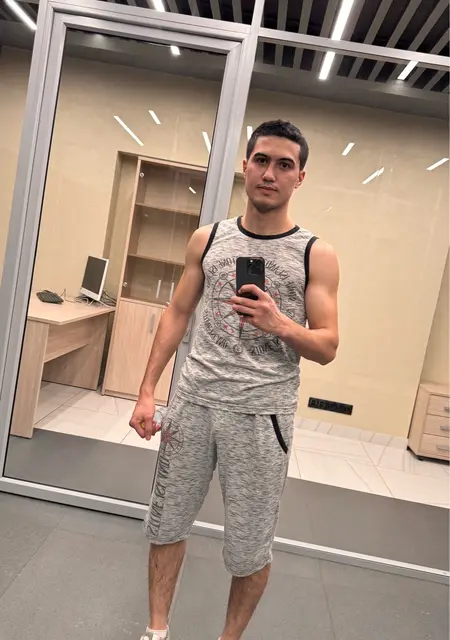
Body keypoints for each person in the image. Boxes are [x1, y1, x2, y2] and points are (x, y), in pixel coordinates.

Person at [130, 119, 340, 640]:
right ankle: (157, 631)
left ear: (300, 177)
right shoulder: (209, 239)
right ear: (245, 166)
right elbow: (177, 313)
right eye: (262, 160)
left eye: (284, 165)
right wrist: (148, 391)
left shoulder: (315, 253)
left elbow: (328, 346)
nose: (270, 173)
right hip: (193, 404)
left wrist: (279, 323)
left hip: (261, 416)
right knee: (166, 522)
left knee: (249, 548)